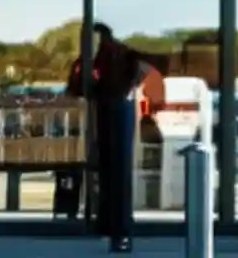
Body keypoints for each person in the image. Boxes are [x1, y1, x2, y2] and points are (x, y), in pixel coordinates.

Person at [67, 22, 171, 254]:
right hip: (104, 112)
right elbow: (76, 86)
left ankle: (119, 229)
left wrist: (147, 105)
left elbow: (149, 75)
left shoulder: (119, 57)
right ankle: (109, 223)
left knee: (117, 173)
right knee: (107, 172)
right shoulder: (92, 60)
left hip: (117, 111)